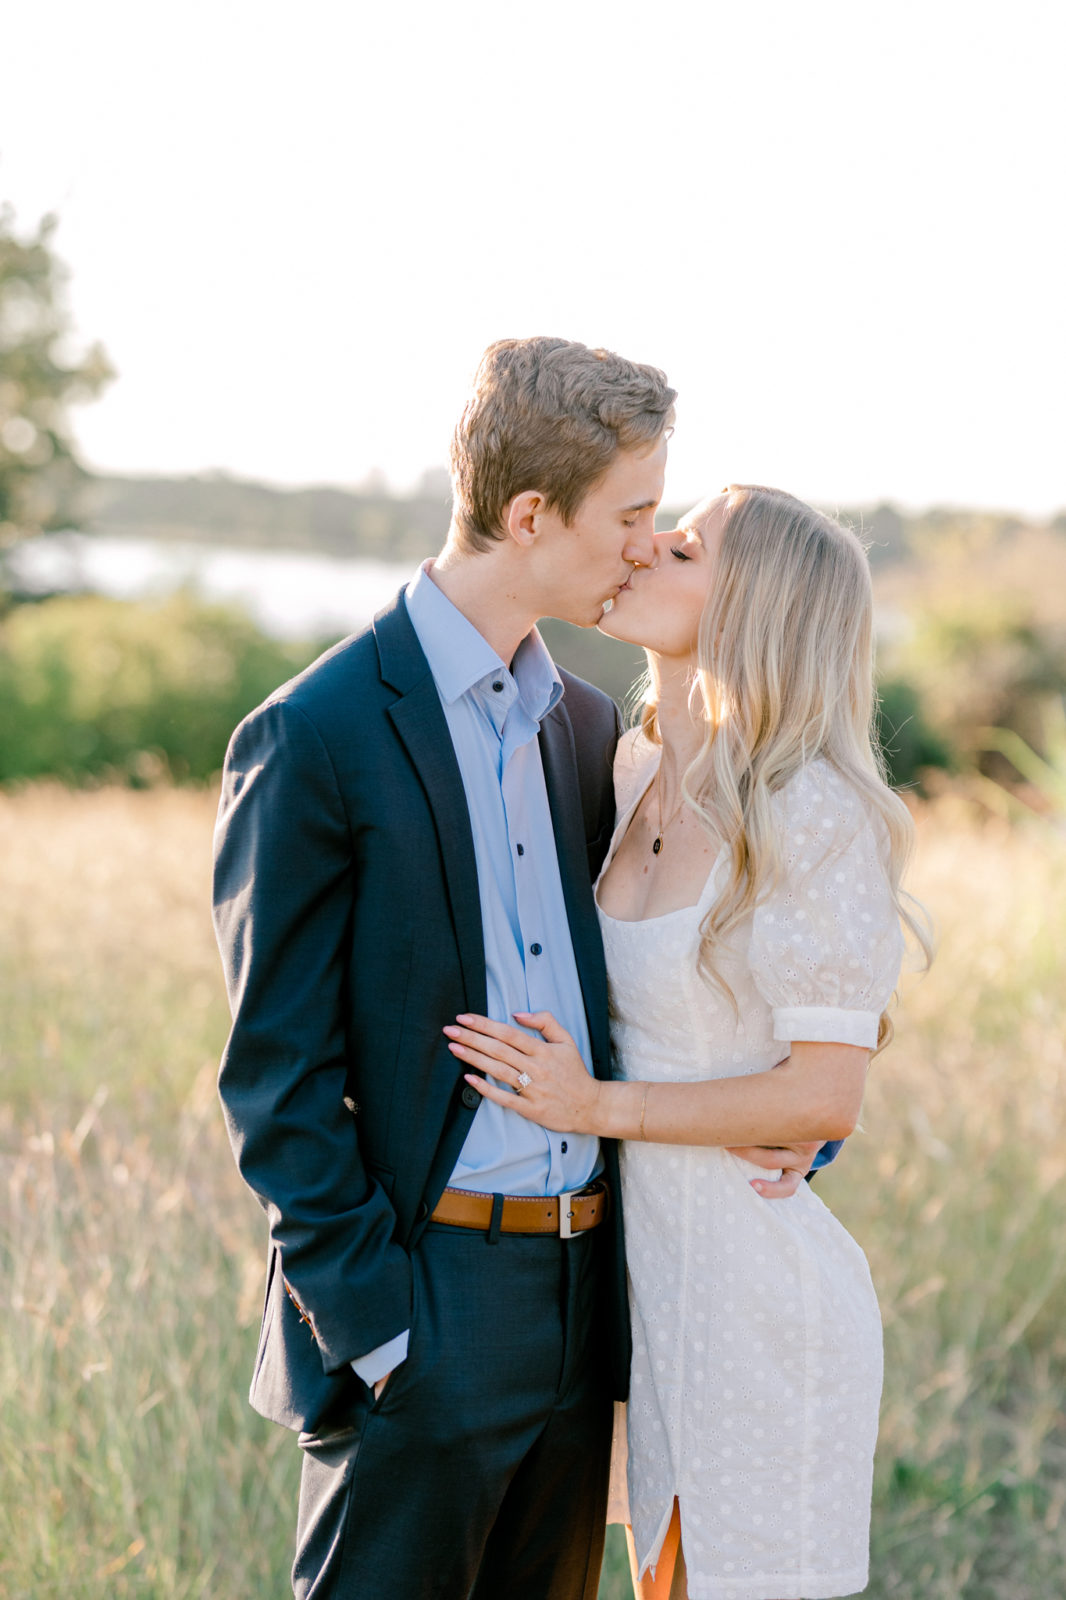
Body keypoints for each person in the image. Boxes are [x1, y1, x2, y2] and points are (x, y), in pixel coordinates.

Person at [212, 342, 822, 1600]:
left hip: (588, 1304)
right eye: (632, 516)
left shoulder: (587, 730)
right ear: (533, 515)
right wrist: (378, 1327)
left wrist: (793, 1116)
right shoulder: (315, 733)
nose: (646, 548)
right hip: (421, 1307)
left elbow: (668, 979)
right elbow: (274, 1082)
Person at [447, 485, 932, 1600]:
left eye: (685, 548)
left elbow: (823, 1097)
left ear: (753, 604)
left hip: (756, 1301)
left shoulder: (812, 808)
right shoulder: (630, 772)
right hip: (642, 1297)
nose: (645, 546)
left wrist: (594, 1107)